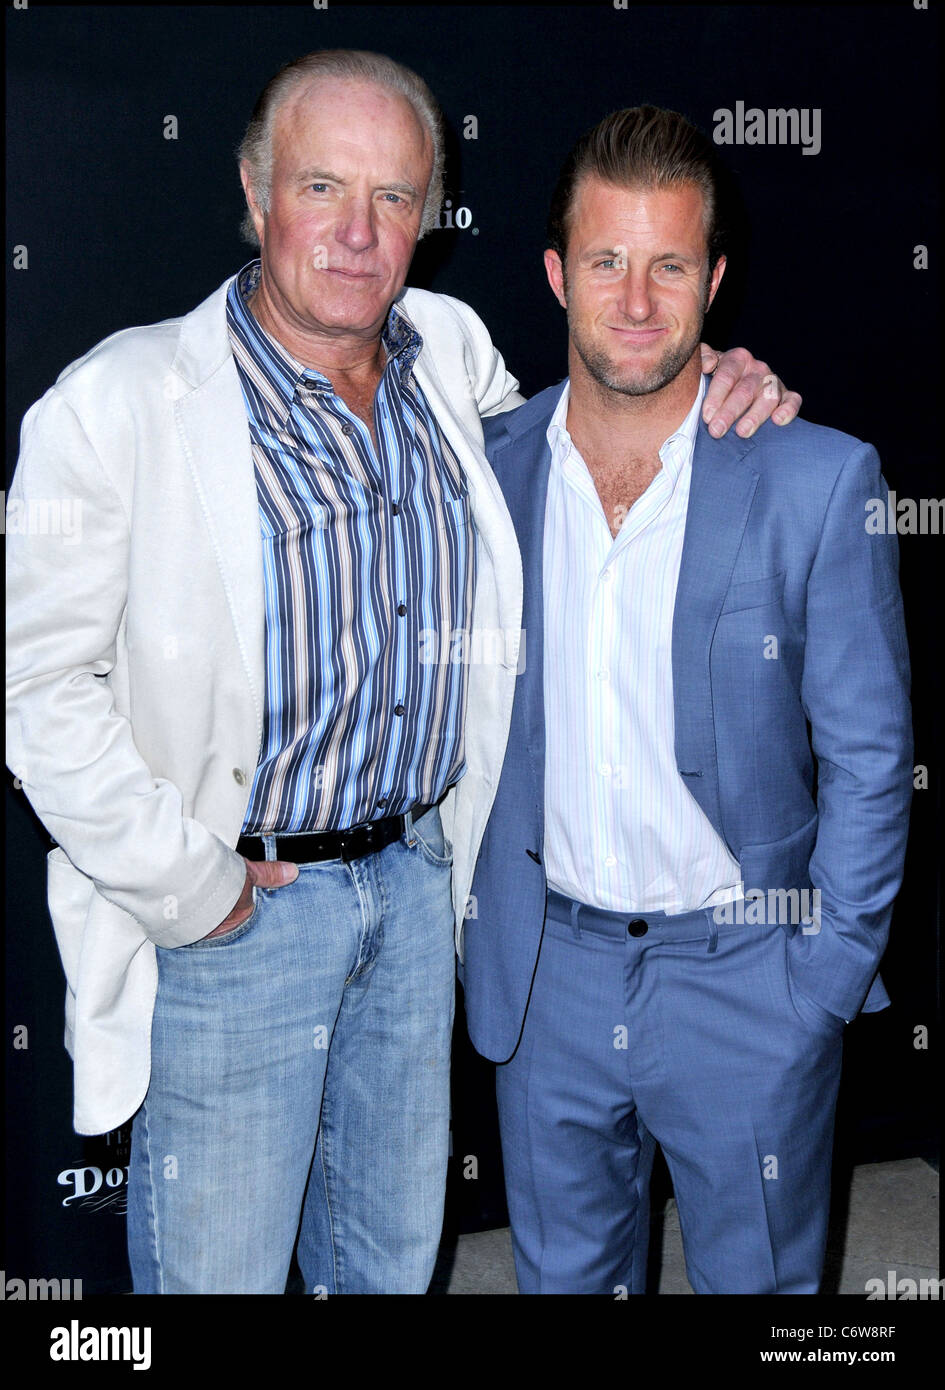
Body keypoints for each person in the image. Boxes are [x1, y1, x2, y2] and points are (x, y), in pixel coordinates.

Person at [5, 53, 797, 1296]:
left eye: (394, 196)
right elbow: (36, 694)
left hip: (423, 895)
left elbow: (590, 442)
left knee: (386, 1269)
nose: (358, 232)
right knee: (219, 1278)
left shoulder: (452, 352)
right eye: (324, 187)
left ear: (428, 217)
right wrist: (195, 885)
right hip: (240, 915)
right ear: (258, 192)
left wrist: (716, 383)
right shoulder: (117, 404)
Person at [463, 104, 912, 1295]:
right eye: (607, 260)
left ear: (714, 281)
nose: (637, 300)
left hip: (748, 978)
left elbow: (874, 758)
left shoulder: (818, 479)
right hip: (548, 979)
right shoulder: (484, 472)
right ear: (559, 274)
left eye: (670, 264)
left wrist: (820, 980)